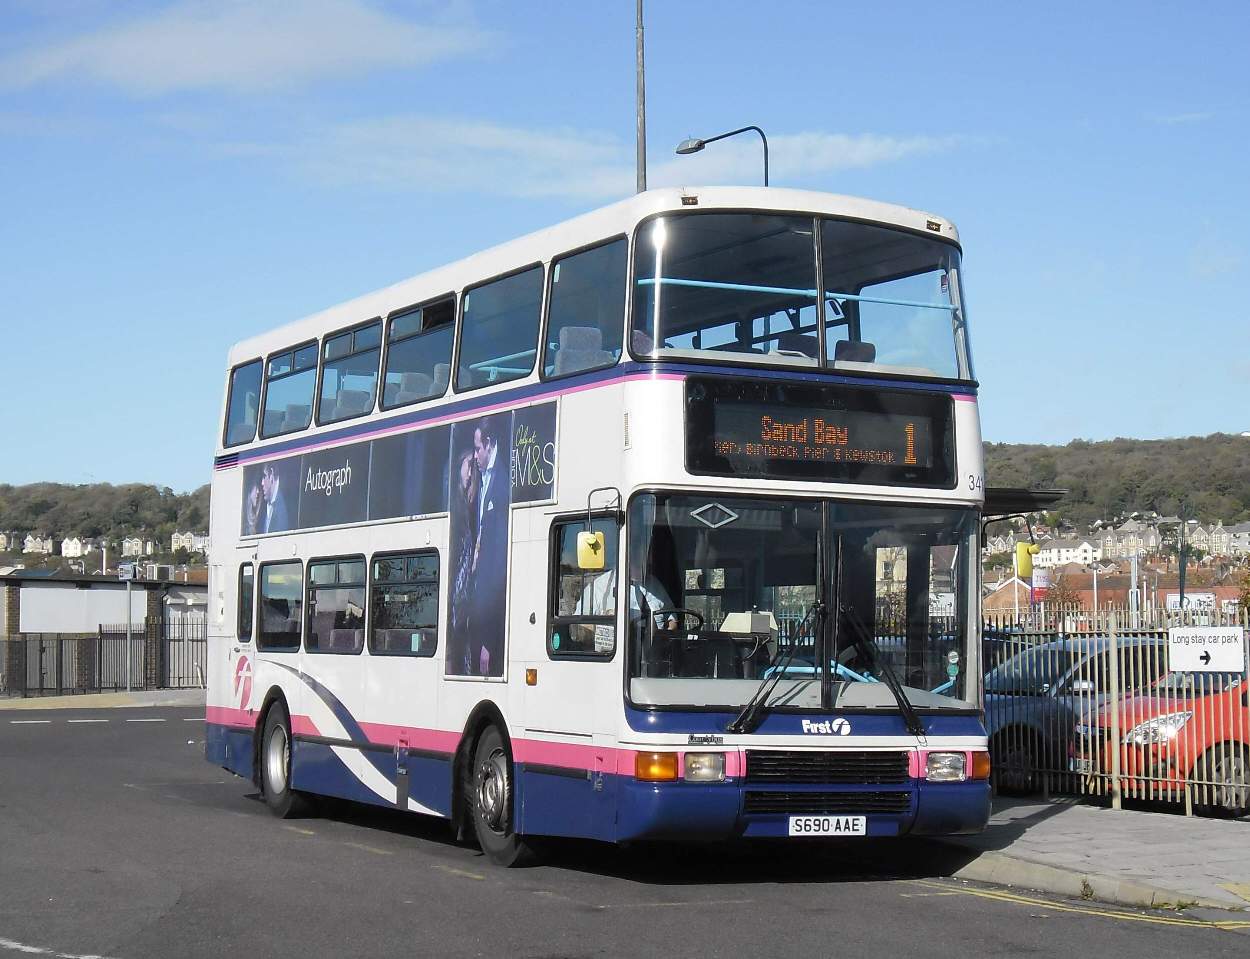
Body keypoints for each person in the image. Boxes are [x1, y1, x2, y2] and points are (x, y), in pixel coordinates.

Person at [468, 415, 509, 676]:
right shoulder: (481, 480)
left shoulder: (502, 483)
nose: (474, 455)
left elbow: (498, 570)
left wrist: (489, 641)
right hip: (477, 608)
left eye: (477, 448)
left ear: (490, 444)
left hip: (488, 623)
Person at [447, 449, 479, 675]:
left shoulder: (469, 507)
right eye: (468, 465)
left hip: (465, 597)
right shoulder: (454, 507)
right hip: (456, 597)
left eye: (473, 469)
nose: (470, 473)